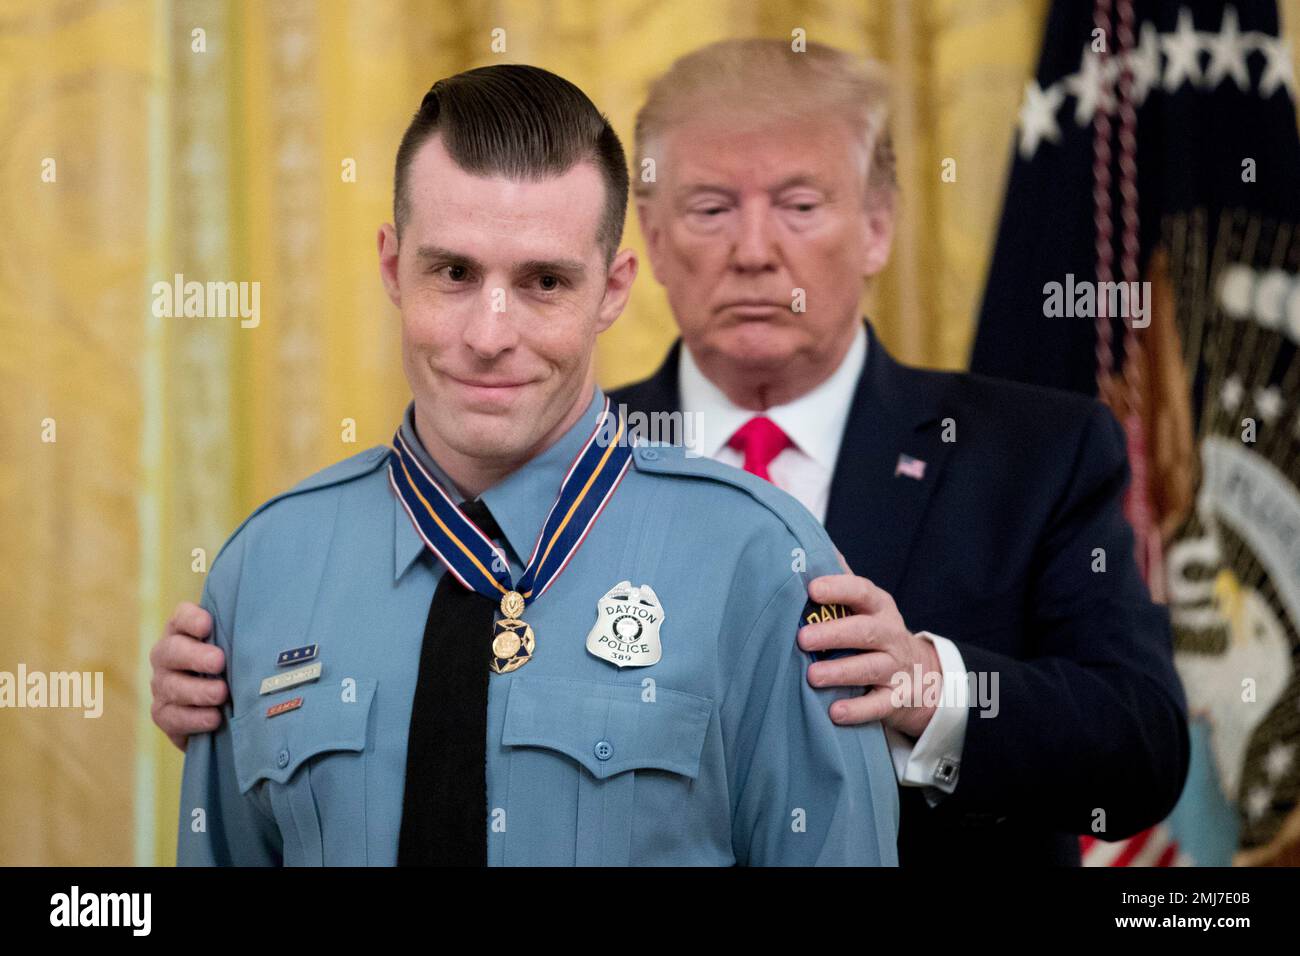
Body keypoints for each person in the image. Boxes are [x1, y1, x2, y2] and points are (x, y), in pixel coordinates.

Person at [158, 38, 1189, 866]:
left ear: (876, 227)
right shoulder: (513, 433)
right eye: (708, 206)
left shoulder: (1032, 452)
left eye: (797, 203)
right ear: (642, 241)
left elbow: (1141, 745)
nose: (752, 249)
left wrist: (932, 687)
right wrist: (274, 676)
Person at [175, 63, 898, 866]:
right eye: (453, 273)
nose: (489, 336)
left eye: (544, 282)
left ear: (613, 290)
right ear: (391, 267)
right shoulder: (262, 571)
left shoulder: (763, 565)